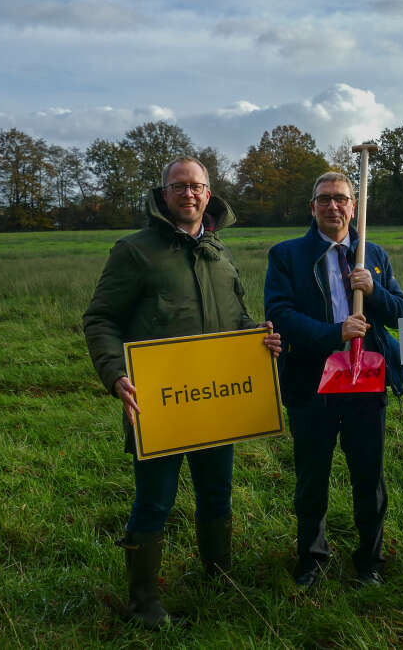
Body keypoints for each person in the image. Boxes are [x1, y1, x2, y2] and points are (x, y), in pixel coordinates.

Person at [83, 157, 282, 627]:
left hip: (219, 400)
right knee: (154, 499)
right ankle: (144, 601)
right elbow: (101, 319)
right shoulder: (134, 250)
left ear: (208, 194)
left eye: (196, 187)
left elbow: (235, 320)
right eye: (179, 186)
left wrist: (260, 338)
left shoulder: (220, 252)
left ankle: (218, 575)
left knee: (218, 493)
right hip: (158, 401)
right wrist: (115, 374)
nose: (188, 194)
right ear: (164, 193)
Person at [264, 171, 403, 590]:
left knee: (369, 476)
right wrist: (335, 334)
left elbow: (401, 311)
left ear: (353, 206)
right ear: (312, 207)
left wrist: (374, 290)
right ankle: (311, 559)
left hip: (367, 384)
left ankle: (370, 561)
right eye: (324, 199)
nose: (333, 206)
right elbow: (282, 313)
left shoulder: (374, 254)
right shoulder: (287, 256)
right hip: (312, 384)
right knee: (312, 477)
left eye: (341, 199)